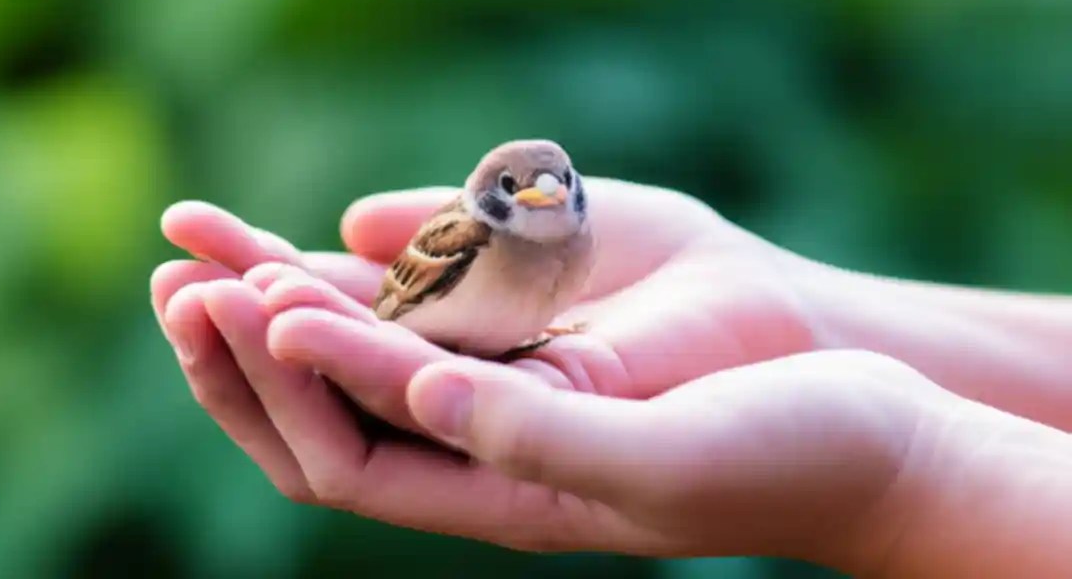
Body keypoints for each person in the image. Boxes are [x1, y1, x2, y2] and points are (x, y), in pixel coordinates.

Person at [149, 179, 1072, 577]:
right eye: (524, 193)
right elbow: (397, 298)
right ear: (489, 203)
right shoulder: (460, 236)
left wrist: (909, 475)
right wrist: (805, 307)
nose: (547, 204)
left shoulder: (579, 246)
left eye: (561, 190)